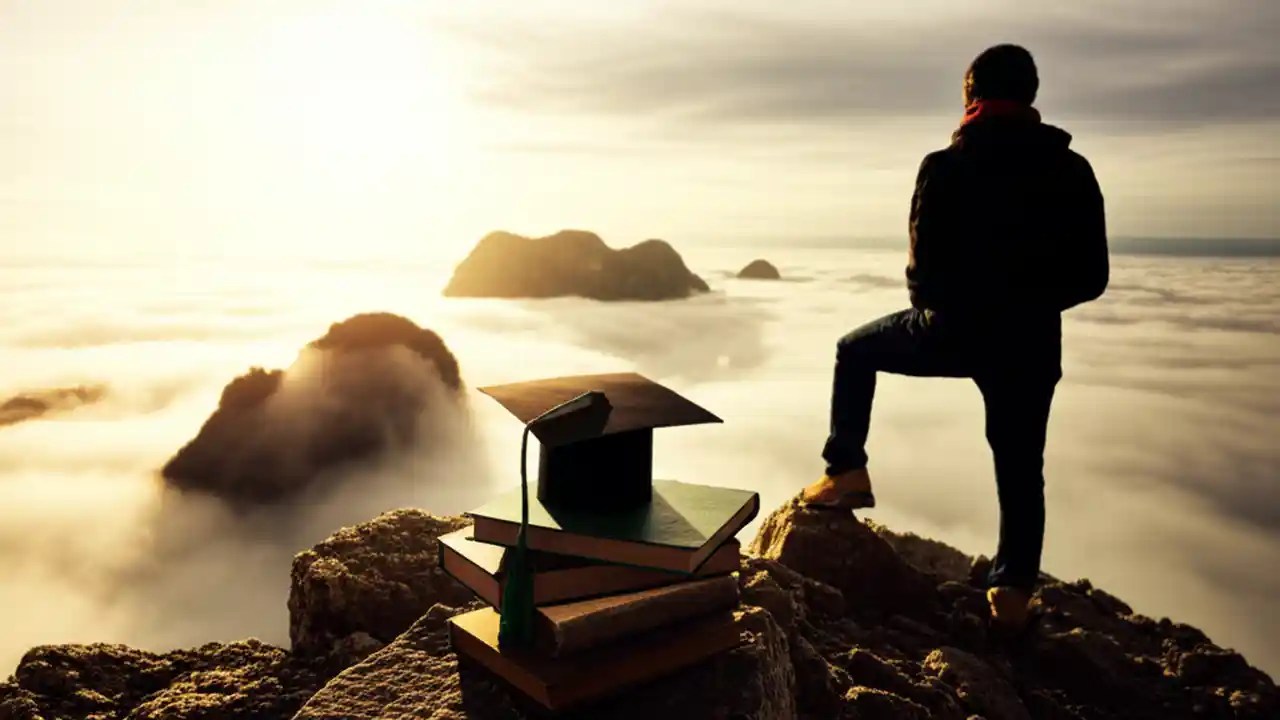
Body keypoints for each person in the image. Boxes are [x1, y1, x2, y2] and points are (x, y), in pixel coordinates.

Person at [801, 44, 1109, 629]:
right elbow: (1092, 276)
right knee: (1021, 466)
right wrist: (1027, 303)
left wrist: (966, 305)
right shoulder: (1072, 170)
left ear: (971, 95)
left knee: (853, 351)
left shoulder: (944, 167)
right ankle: (1012, 597)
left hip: (953, 331)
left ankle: (845, 473)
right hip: (1030, 342)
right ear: (1032, 95)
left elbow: (922, 283)